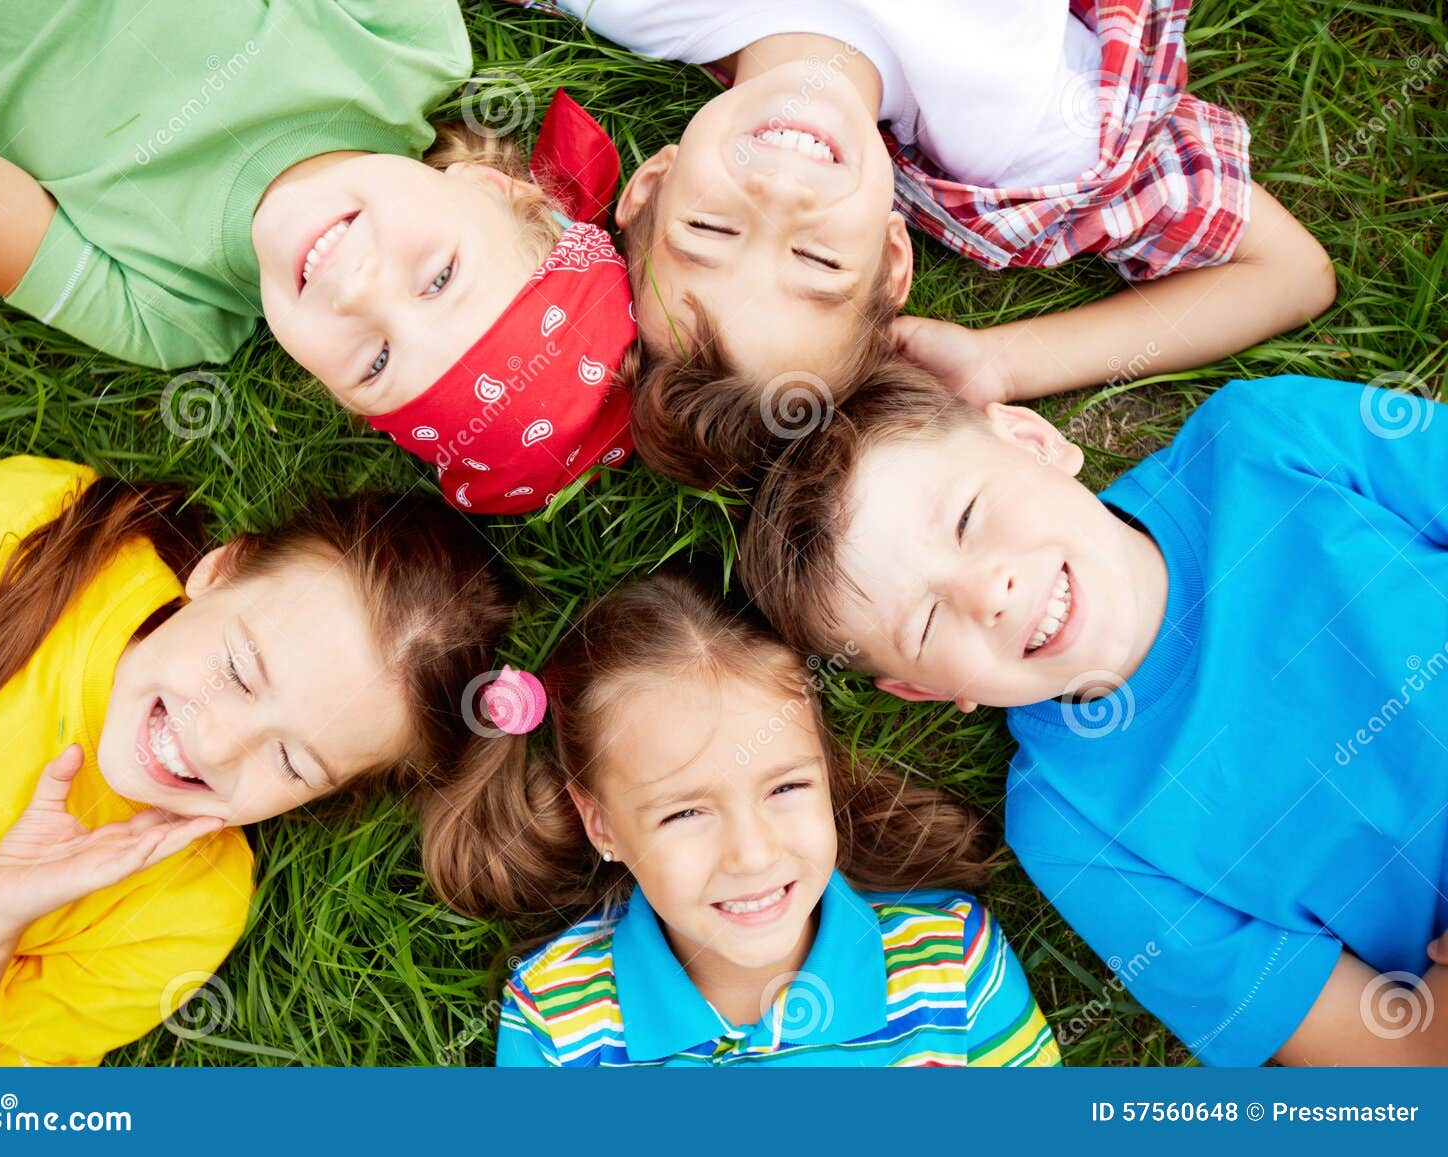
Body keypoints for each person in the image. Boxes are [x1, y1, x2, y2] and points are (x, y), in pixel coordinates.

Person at [738, 368, 1448, 1065]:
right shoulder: (1069, 827)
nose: (990, 591)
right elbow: (1400, 1056)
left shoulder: (1263, 435)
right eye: (926, 623)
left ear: (1032, 439)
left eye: (967, 518)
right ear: (924, 688)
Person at [0, 455, 516, 1065]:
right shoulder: (50, 530)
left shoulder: (185, 906)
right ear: (218, 571)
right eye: (240, 670)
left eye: (289, 760)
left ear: (323, 798)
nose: (216, 743)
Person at [513, 0, 1335, 489]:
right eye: (817, 260)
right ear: (893, 255)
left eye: (712, 228)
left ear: (653, 184)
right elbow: (1287, 272)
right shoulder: (1021, 140)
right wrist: (1004, 363)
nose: (779, 199)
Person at [0, 3, 636, 513]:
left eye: (377, 361)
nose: (361, 292)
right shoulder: (400, 42)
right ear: (496, 189)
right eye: (440, 279)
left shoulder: (164, 311)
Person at [421, 573, 1059, 1067]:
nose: (751, 855)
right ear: (601, 825)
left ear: (827, 773)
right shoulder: (558, 1021)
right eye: (686, 812)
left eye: (785, 786)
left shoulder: (950, 960)